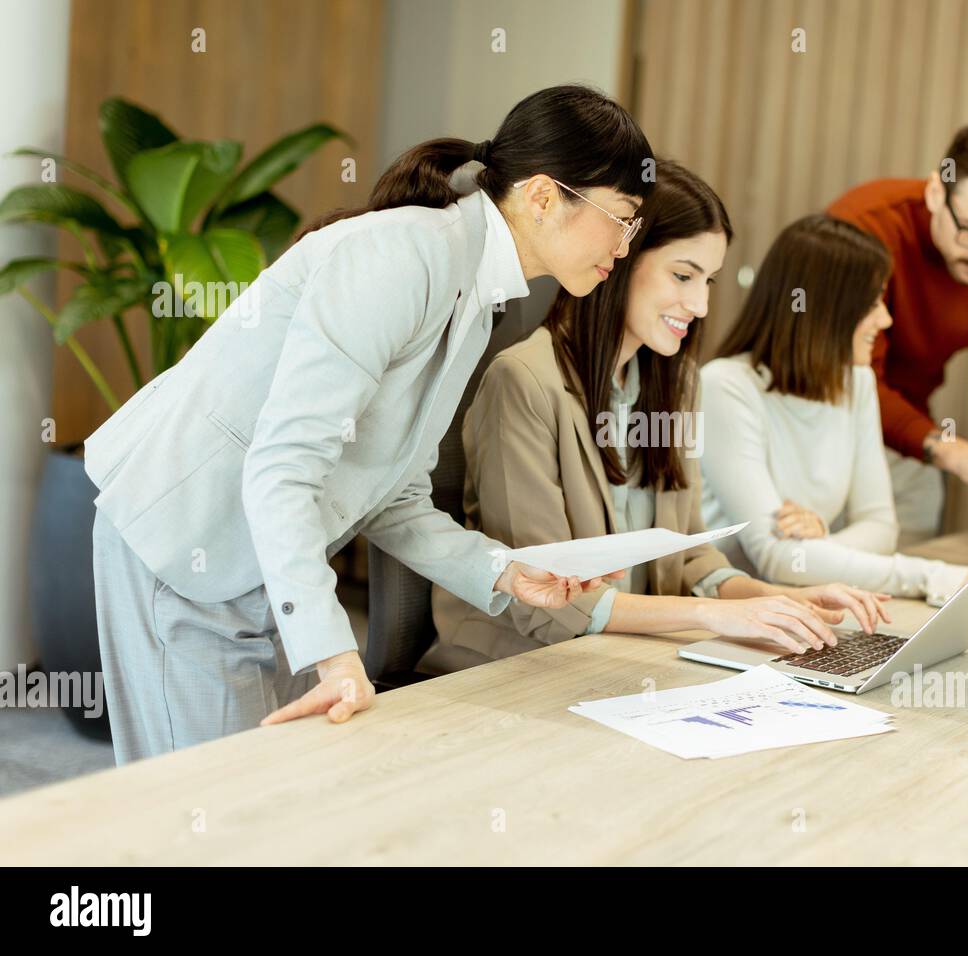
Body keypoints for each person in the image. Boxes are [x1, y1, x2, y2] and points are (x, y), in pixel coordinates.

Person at [86, 84, 651, 763]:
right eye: (623, 217)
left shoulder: (476, 292)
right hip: (184, 535)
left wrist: (503, 571)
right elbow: (283, 466)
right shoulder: (401, 258)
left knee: (259, 799)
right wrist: (331, 650)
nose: (625, 244)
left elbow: (397, 496)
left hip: (267, 560)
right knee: (198, 810)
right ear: (541, 196)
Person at [431, 161, 891, 666]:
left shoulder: (674, 382)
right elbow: (544, 603)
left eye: (709, 281)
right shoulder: (523, 380)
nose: (699, 305)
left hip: (628, 660)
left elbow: (689, 556)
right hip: (521, 665)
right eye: (682, 275)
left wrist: (775, 599)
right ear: (621, 258)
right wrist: (708, 617)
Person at [699, 214, 968, 603]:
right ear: (827, 309)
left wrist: (820, 541)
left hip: (804, 610)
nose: (886, 318)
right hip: (724, 617)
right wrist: (931, 577)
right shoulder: (725, 386)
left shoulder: (855, 383)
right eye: (874, 301)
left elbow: (881, 527)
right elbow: (775, 558)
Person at [827, 116, 968, 544]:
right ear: (937, 192)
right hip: (822, 420)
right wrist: (954, 452)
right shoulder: (867, 223)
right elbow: (852, 378)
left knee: (911, 570)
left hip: (909, 429)